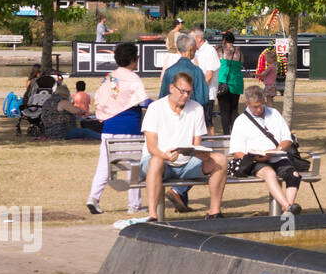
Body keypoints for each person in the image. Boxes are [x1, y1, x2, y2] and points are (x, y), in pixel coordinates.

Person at [139, 72, 227, 221]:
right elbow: (151, 146)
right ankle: (153, 215)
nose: (186, 96)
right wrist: (165, 156)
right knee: (156, 161)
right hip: (161, 161)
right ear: (172, 88)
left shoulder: (196, 108)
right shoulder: (155, 108)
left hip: (187, 162)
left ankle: (214, 212)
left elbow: (196, 144)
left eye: (189, 92)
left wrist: (201, 154)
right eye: (183, 91)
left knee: (220, 159)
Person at [86, 42, 148, 215]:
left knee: (104, 166)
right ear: (132, 59)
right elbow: (142, 101)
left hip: (109, 128)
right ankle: (133, 205)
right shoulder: (133, 78)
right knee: (133, 166)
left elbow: (101, 98)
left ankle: (93, 197)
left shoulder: (110, 77)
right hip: (129, 128)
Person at [230, 86, 304, 216]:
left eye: (262, 105)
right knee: (269, 174)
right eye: (255, 107)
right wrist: (256, 157)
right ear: (246, 103)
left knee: (294, 175)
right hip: (255, 161)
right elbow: (237, 152)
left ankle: (288, 210)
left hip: (278, 156)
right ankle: (288, 207)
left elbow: (287, 139)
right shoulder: (240, 121)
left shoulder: (274, 113)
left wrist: (278, 149)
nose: (259, 109)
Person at [159, 34, 212, 212]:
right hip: (192, 121)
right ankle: (178, 191)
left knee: (181, 157)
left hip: (170, 122)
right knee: (196, 158)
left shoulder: (169, 71)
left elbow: (161, 99)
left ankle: (181, 202)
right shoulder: (196, 71)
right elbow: (204, 99)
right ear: (190, 50)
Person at [190, 26, 220, 133]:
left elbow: (209, 73)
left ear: (198, 38)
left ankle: (211, 142)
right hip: (198, 91)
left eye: (191, 38)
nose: (190, 41)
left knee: (207, 119)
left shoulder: (210, 50)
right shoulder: (196, 51)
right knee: (198, 119)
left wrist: (201, 89)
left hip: (207, 92)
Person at [217, 31, 244, 135]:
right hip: (236, 83)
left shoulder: (221, 51)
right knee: (234, 110)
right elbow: (242, 64)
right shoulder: (239, 52)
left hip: (223, 84)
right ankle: (235, 133)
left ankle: (226, 134)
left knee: (224, 111)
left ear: (224, 40)